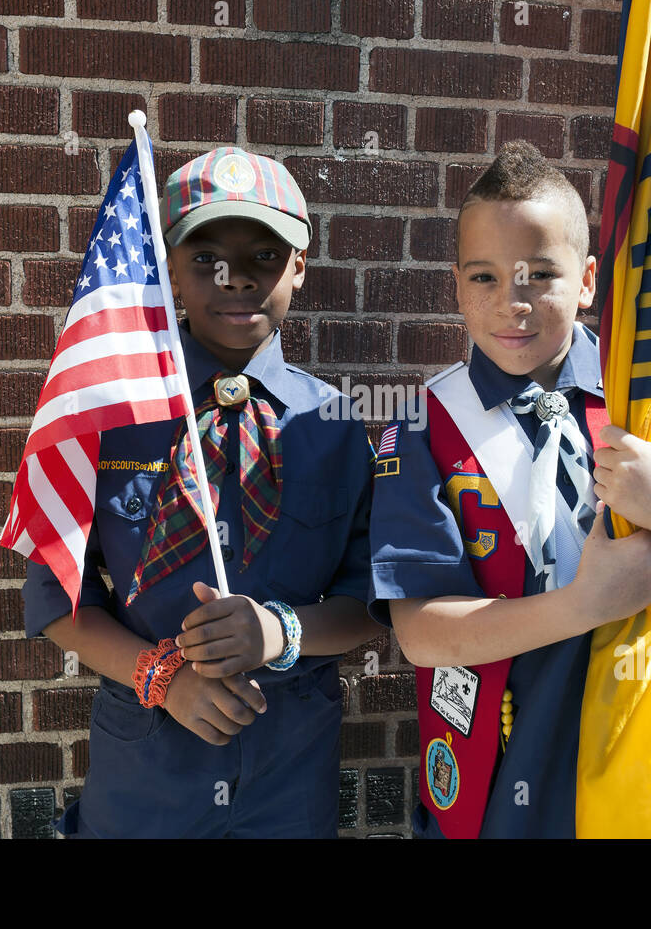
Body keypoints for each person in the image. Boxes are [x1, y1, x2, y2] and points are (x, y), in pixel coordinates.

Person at [368, 139, 651, 838]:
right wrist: (583, 605)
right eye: (486, 278)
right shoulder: (422, 428)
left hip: (625, 769)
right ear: (457, 285)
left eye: (539, 275)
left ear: (587, 280)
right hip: (492, 784)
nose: (512, 303)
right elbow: (423, 634)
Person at [23, 147, 383, 838]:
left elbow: (374, 602)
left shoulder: (334, 429)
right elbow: (57, 595)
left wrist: (282, 629)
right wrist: (160, 675)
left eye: (264, 257)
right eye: (206, 257)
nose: (235, 279)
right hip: (146, 773)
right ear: (170, 273)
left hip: (290, 772)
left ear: (300, 267)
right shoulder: (109, 416)